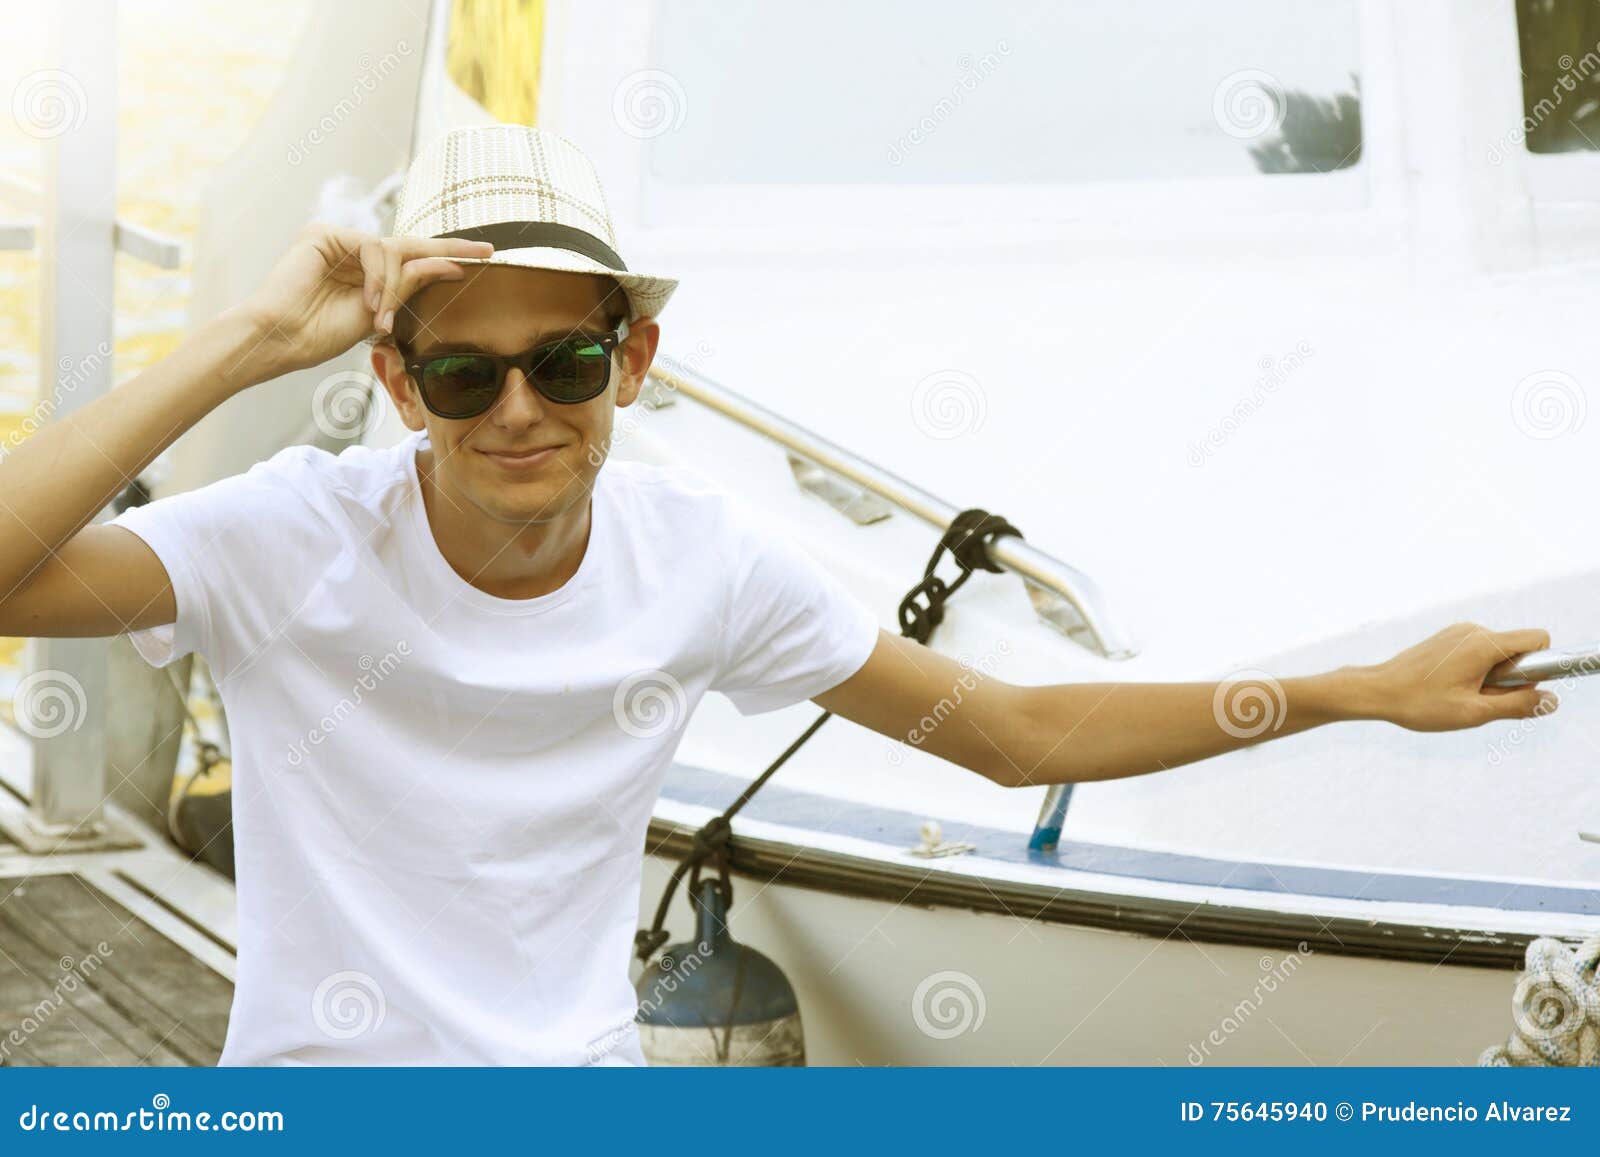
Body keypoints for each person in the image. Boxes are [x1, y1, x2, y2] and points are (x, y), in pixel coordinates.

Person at [0, 124, 1555, 1065]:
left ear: (640, 361)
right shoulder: (289, 536)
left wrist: (1357, 690)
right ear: (399, 383)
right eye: (466, 371)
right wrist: (253, 339)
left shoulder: (704, 560)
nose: (522, 410)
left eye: (571, 359)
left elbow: (1010, 730)